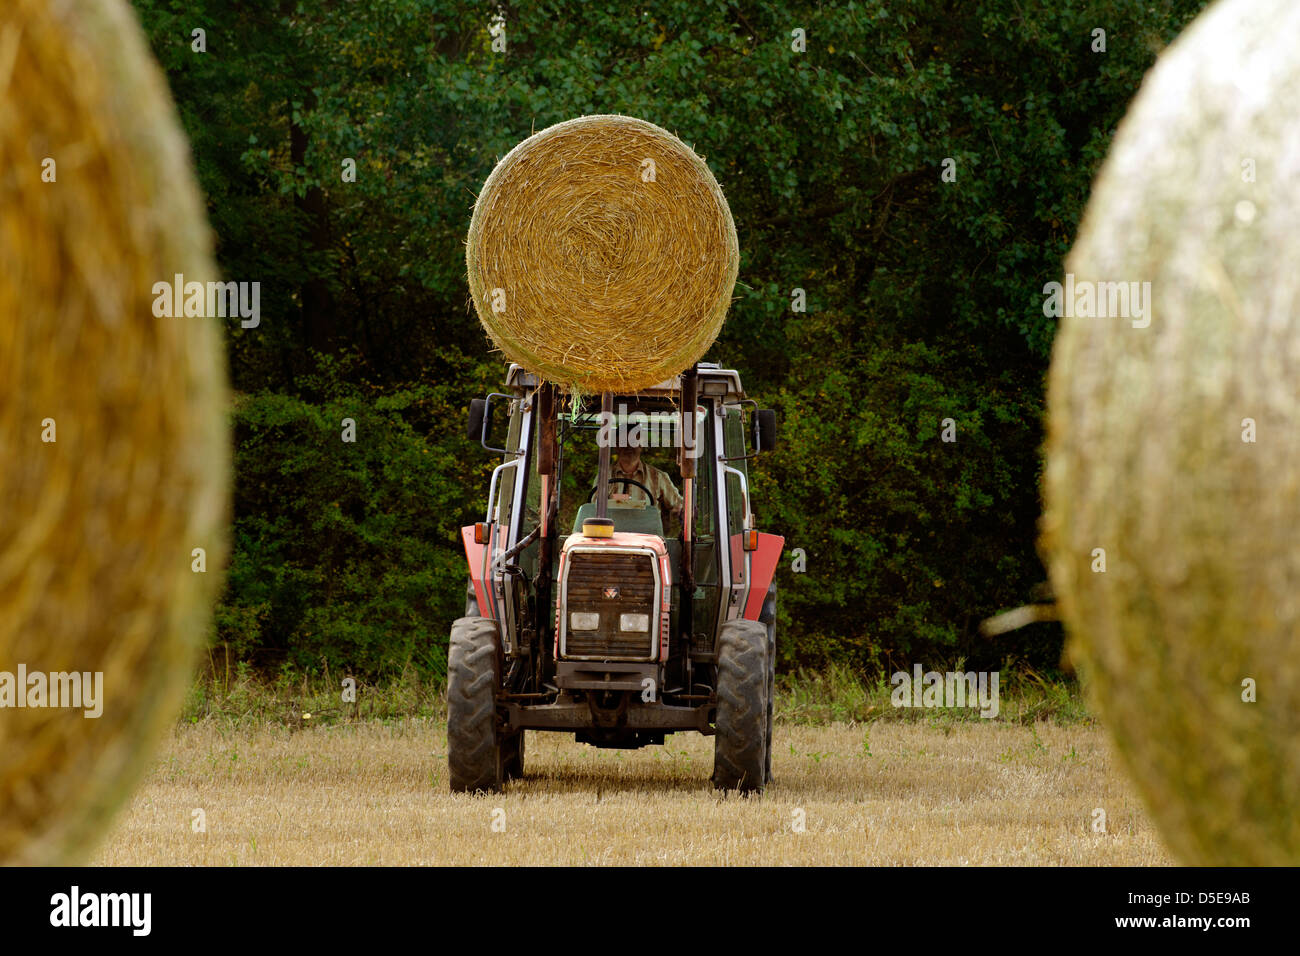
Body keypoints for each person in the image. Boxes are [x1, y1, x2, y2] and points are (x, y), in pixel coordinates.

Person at [602, 442, 683, 523]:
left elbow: (679, 505)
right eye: (624, 442)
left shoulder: (658, 477)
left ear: (641, 446)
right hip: (612, 532)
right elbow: (595, 507)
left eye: (633, 442)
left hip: (648, 533)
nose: (629, 447)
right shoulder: (604, 476)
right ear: (616, 446)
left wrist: (679, 515)